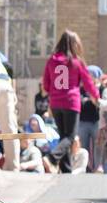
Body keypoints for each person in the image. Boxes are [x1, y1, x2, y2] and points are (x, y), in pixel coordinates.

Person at [42, 30, 98, 173]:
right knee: (71, 136)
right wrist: (96, 96)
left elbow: (46, 84)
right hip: (70, 102)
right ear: (74, 45)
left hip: (55, 102)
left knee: (63, 136)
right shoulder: (76, 62)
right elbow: (87, 82)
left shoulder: (51, 60)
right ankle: (52, 158)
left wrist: (52, 93)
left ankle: (65, 169)